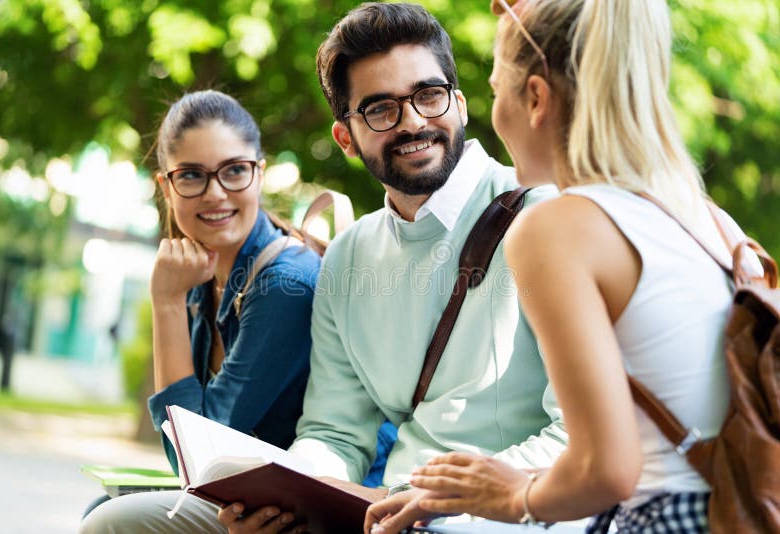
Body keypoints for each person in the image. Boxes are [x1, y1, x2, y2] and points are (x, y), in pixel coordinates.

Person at [368, 0, 738, 532]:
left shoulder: (555, 228)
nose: (495, 116)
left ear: (535, 98)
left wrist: (508, 494)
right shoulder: (701, 215)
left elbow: (605, 470)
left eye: (497, 91)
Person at [218, 3, 565, 533]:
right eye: (381, 109)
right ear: (345, 138)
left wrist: (437, 501)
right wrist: (286, 497)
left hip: (504, 514)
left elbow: (577, 435)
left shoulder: (548, 217)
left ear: (461, 104)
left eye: (429, 95)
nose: (413, 122)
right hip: (386, 513)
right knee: (123, 521)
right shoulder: (348, 257)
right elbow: (336, 433)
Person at [80, 90, 322, 532]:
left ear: (260, 175)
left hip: (307, 508)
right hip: (248, 500)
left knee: (108, 524)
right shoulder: (202, 276)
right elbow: (192, 460)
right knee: (99, 506)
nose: (215, 194)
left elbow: (195, 458)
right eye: (191, 175)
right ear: (165, 187)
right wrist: (177, 297)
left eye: (234, 171)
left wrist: (166, 303)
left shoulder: (283, 283)